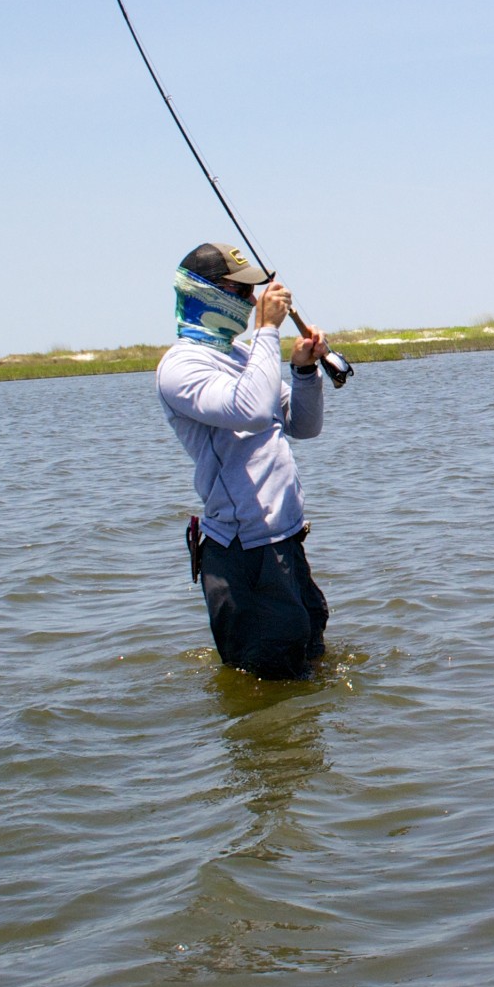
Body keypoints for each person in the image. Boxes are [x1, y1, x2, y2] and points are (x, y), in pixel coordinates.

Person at [158, 241, 334, 681]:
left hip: (285, 539)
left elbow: (302, 426)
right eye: (241, 292)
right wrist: (267, 331)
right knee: (268, 678)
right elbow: (251, 412)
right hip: (244, 551)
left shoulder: (242, 355)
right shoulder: (182, 366)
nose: (253, 301)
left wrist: (304, 371)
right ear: (206, 292)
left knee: (311, 657)